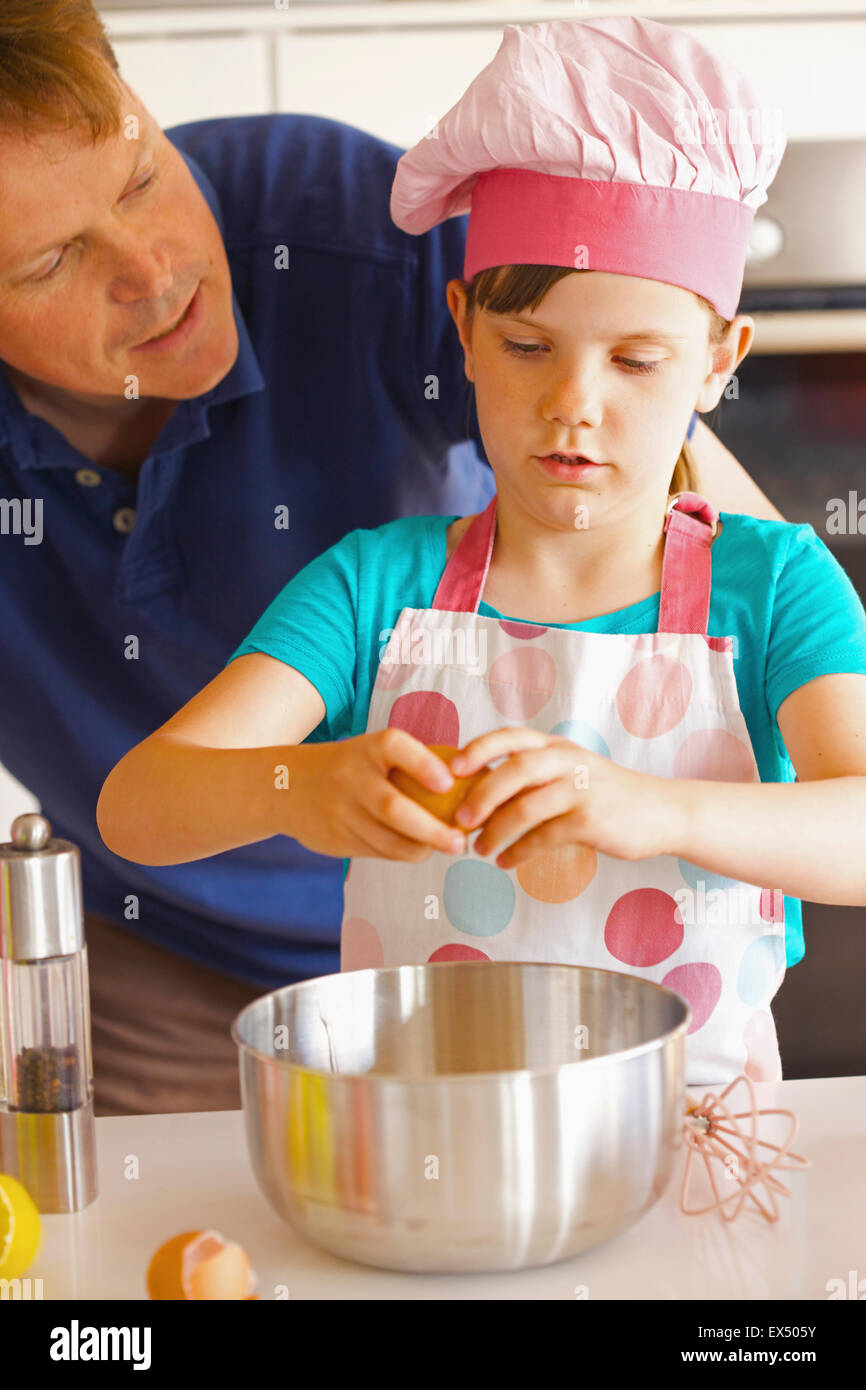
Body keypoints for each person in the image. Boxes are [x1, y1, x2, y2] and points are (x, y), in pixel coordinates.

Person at [0, 3, 784, 1116]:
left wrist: (679, 793)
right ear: (472, 335)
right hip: (160, 946)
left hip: (575, 992)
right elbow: (145, 803)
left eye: (139, 179)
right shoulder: (366, 584)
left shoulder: (345, 237)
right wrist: (297, 782)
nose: (155, 269)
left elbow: (672, 499)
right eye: (51, 261)